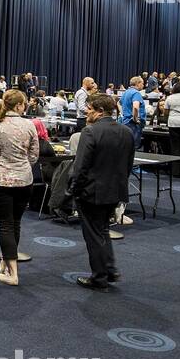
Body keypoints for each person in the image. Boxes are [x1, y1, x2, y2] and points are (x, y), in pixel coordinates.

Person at [67, 93, 134, 292]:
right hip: (115, 190)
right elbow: (128, 165)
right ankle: (110, 269)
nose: (86, 111)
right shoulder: (127, 132)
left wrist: (74, 189)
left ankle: (99, 277)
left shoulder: (90, 132)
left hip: (92, 192)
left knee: (94, 236)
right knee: (103, 230)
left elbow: (80, 167)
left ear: (100, 111)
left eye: (89, 108)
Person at [0, 90, 40, 287]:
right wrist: (22, 167)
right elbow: (34, 154)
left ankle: (13, 273)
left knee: (6, 225)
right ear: (19, 105)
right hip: (24, 181)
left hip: (1, 180)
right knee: (15, 223)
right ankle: (6, 263)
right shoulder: (29, 124)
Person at [119, 76, 145, 150]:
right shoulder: (136, 93)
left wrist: (122, 113)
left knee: (126, 146)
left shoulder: (126, 92)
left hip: (125, 122)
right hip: (133, 124)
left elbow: (118, 103)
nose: (143, 85)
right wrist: (135, 119)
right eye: (142, 83)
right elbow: (136, 107)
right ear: (138, 83)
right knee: (134, 147)